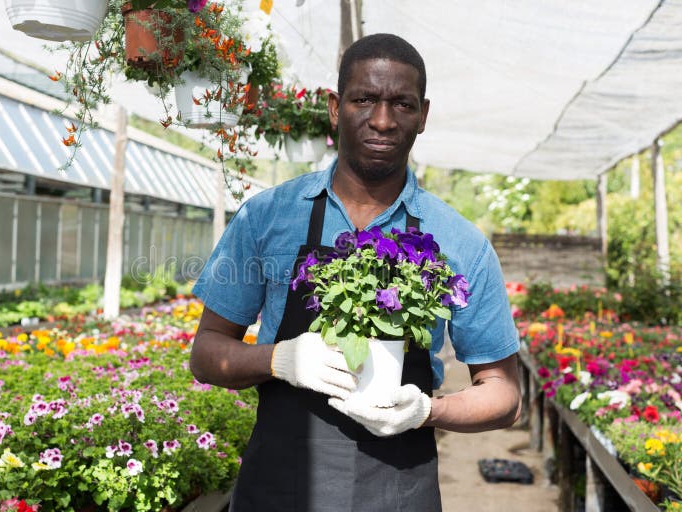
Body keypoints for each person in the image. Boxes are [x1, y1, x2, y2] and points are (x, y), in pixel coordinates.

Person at [189, 33, 521, 511]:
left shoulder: (459, 241)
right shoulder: (267, 217)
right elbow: (206, 353)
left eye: (401, 104)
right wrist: (279, 360)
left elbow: (503, 394)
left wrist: (430, 411)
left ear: (423, 115)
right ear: (334, 106)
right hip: (280, 487)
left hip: (397, 490)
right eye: (364, 99)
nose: (382, 120)